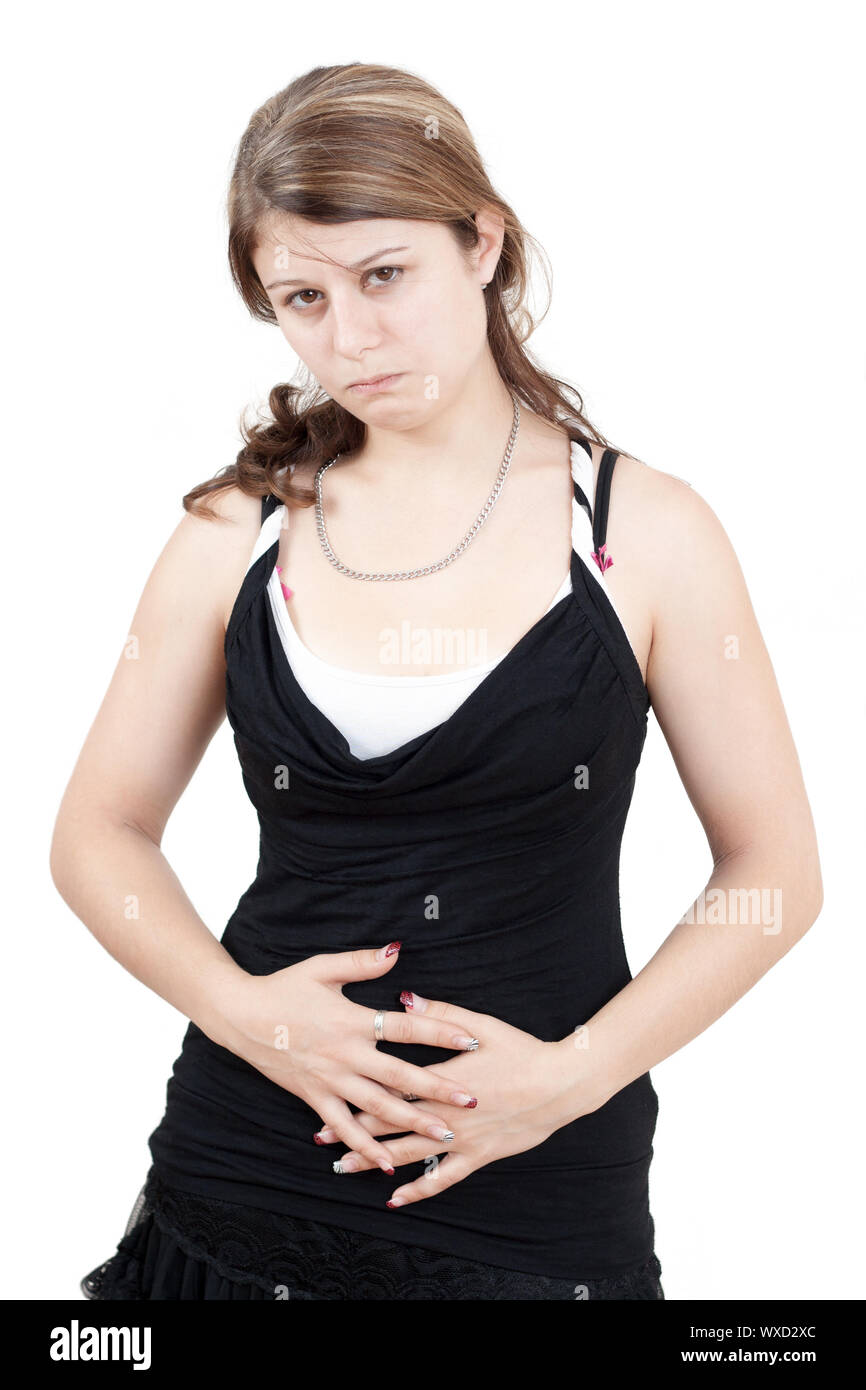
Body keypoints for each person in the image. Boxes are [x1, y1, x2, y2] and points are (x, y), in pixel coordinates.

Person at [51, 62, 823, 1302]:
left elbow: (773, 873)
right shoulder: (235, 530)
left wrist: (570, 1078)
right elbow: (97, 833)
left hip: (539, 1197)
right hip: (245, 1166)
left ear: (483, 244)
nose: (347, 337)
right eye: (301, 296)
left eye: (383, 275)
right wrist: (251, 1015)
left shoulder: (645, 533)